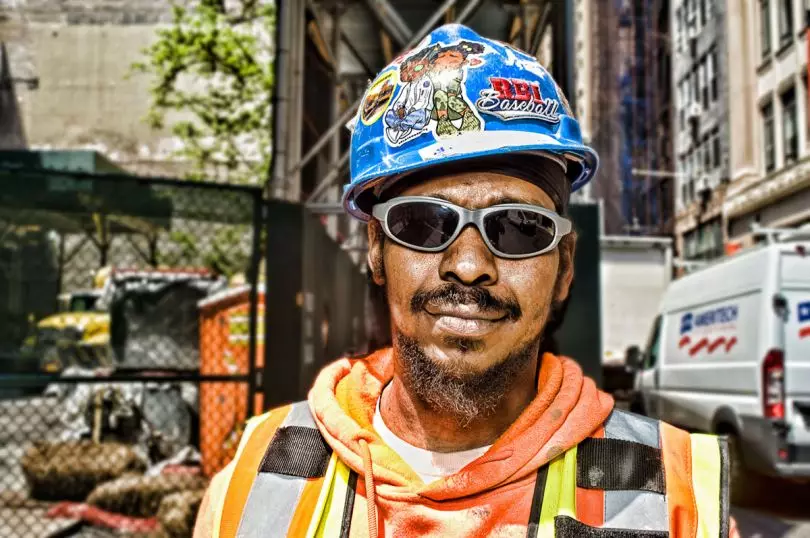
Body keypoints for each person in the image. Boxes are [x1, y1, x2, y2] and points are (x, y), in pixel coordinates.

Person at [195, 24, 736, 538]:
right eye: (425, 222)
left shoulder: (680, 494)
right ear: (376, 251)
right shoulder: (253, 479)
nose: (470, 265)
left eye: (520, 228)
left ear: (564, 266)